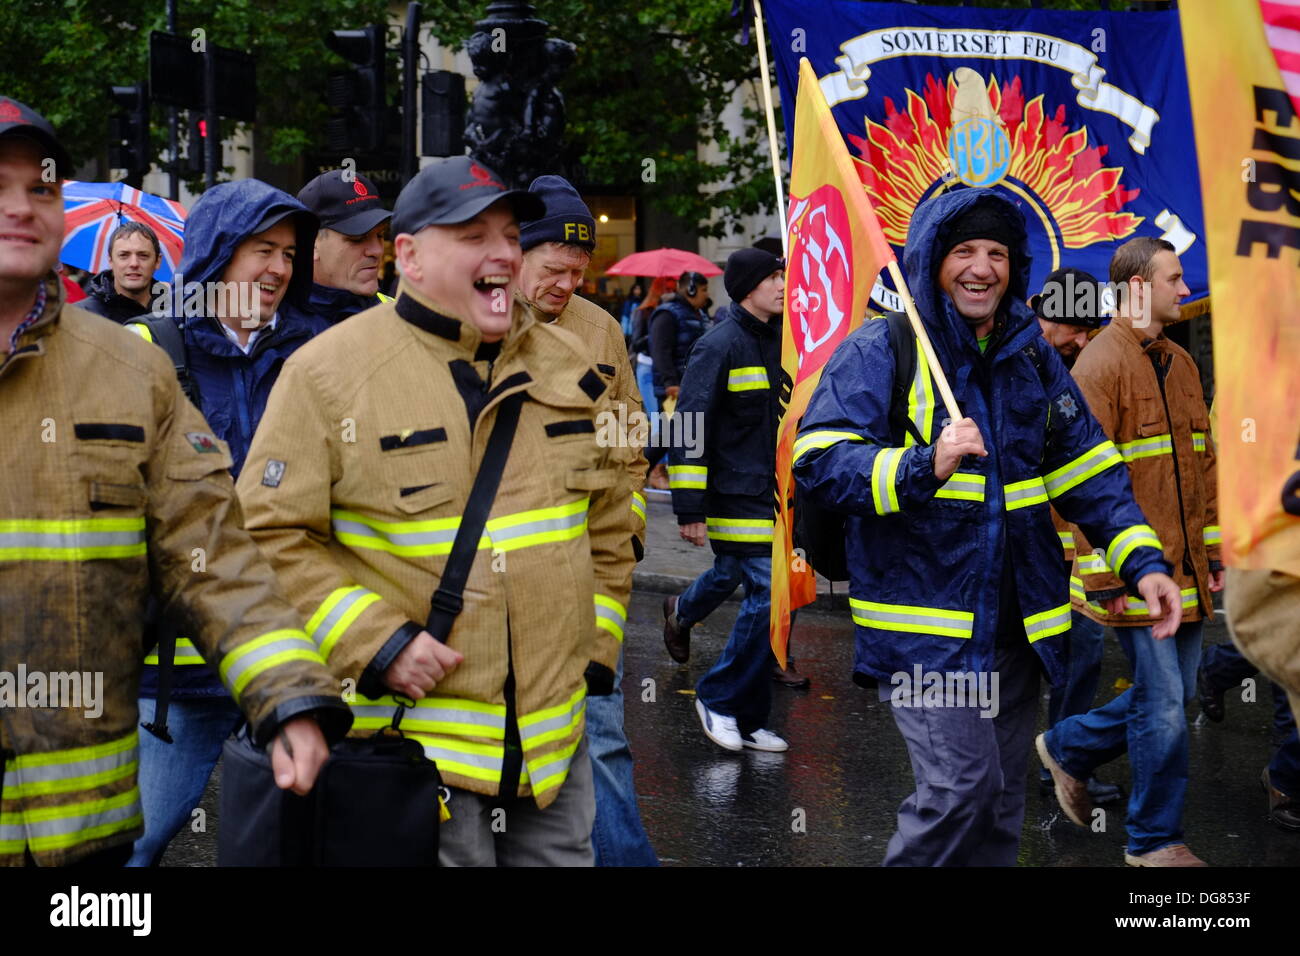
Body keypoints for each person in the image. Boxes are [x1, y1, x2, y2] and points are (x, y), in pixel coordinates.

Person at [235, 156, 636, 867]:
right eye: (473, 234)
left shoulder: (574, 367)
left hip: (552, 757)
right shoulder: (328, 375)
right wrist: (378, 641)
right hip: (418, 759)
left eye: (511, 234)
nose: (503, 254)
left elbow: (610, 521)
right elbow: (267, 535)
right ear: (410, 257)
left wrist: (596, 652)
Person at [0, 96, 349, 867]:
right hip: (170, 690)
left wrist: (290, 691)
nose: (20, 208)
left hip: (75, 836)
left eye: (41, 187)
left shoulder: (131, 370)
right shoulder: (160, 344)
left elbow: (213, 545)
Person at [794, 188, 1180, 866]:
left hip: (1017, 632)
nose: (982, 267)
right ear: (933, 260)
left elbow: (1090, 474)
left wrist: (1144, 562)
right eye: (965, 251)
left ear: (1017, 264)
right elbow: (819, 460)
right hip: (927, 631)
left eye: (997, 252)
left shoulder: (1032, 360)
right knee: (959, 794)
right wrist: (923, 464)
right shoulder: (882, 348)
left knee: (1000, 810)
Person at [123, 178, 330, 866]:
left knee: (291, 849)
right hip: (175, 674)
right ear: (215, 253)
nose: (279, 268)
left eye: (290, 254)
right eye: (261, 250)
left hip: (294, 662)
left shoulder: (321, 355)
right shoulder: (142, 350)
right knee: (134, 841)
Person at [1040, 236, 1221, 867]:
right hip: (1134, 573)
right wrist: (1107, 573)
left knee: (1179, 694)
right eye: (1174, 278)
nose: (1184, 289)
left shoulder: (1182, 362)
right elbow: (1076, 481)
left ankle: (1068, 747)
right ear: (1138, 287)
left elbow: (1204, 465)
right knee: (1166, 705)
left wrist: (1212, 554)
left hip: (1186, 570)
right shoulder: (1099, 365)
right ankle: (1153, 840)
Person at [516, 174, 656, 866]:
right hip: (494, 589)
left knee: (600, 735)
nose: (568, 283)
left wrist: (624, 539)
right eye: (553, 269)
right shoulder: (473, 323)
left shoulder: (600, 327)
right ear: (515, 254)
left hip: (584, 580)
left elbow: (630, 439)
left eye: (579, 271)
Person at [663, 247, 790, 753]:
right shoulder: (718, 345)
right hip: (734, 496)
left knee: (750, 583)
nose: (783, 285)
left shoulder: (784, 340)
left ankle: (750, 714)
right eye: (773, 278)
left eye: (785, 276)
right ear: (746, 289)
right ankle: (716, 695)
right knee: (769, 594)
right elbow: (690, 427)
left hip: (776, 495)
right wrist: (689, 508)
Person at [1030, 267, 1121, 806]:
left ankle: (1061, 760)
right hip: (1023, 543)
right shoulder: (1009, 358)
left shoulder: (1057, 364)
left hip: (1068, 546)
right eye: (1077, 330)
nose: (1084, 342)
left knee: (1080, 651)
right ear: (1049, 317)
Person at [297, 168, 393, 322]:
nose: (377, 250)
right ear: (312, 244)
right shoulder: (272, 324)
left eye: (380, 235)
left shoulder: (398, 315)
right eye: (358, 238)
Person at [644, 271, 711, 488]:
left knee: (681, 434)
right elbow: (660, 351)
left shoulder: (698, 314)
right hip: (674, 388)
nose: (706, 295)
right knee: (669, 434)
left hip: (691, 387)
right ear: (690, 289)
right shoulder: (667, 314)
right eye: (703, 290)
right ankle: (639, 470)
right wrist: (670, 383)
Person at [79, 221, 160, 323]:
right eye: (124, 255)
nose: (134, 263)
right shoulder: (83, 315)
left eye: (143, 255)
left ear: (158, 261)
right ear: (110, 260)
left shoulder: (175, 314)